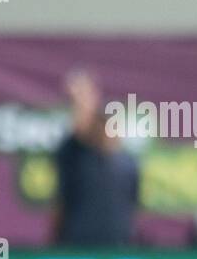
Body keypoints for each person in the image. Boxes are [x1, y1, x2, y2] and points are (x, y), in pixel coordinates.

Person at [52, 71, 140, 247]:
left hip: (116, 246)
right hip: (77, 247)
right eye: (74, 103)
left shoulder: (127, 164)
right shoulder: (72, 153)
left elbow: (133, 205)